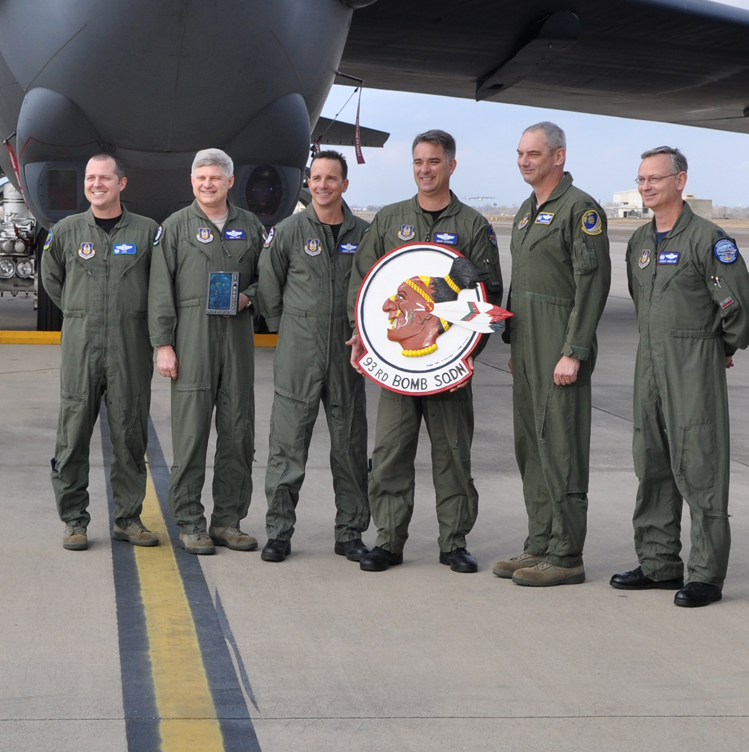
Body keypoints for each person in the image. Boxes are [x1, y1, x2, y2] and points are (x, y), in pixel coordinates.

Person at [350, 130, 503, 574]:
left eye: (434, 161)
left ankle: (453, 542)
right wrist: (365, 335)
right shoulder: (390, 219)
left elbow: (489, 301)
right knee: (392, 453)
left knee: (452, 454)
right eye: (418, 161)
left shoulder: (473, 226)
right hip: (397, 366)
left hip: (448, 366)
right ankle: (389, 540)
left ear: (450, 165)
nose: (425, 169)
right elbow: (363, 284)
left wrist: (464, 352)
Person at [614, 146, 749, 607]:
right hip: (650, 364)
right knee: (652, 462)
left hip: (692, 365)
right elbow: (644, 302)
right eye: (641, 180)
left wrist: (718, 347)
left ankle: (705, 574)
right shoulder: (639, 241)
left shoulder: (707, 239)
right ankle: (659, 563)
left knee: (700, 465)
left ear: (680, 181)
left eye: (655, 178)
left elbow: (743, 306)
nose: (646, 187)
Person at [493, 122, 611, 588]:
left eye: (534, 154)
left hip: (560, 346)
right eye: (520, 153)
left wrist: (574, 351)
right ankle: (539, 542)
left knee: (561, 446)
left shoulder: (580, 210)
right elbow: (523, 284)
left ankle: (567, 554)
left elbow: (592, 283)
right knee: (531, 446)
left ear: (558, 157)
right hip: (526, 346)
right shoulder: (526, 211)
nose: (524, 161)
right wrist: (513, 345)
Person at [39, 153, 162, 552]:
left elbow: (159, 285)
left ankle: (128, 518)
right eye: (91, 178)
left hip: (131, 347)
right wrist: (81, 312)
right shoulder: (66, 231)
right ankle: (74, 520)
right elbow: (52, 280)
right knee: (73, 435)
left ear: (121, 183)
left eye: (105, 178)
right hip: (82, 346)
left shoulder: (147, 232)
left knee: (130, 435)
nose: (96, 184)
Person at [256, 151, 372, 563]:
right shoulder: (288, 230)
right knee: (287, 445)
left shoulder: (365, 232)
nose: (323, 185)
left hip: (346, 349)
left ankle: (350, 533)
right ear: (311, 182)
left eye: (332, 178)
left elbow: (376, 289)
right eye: (317, 178)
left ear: (344, 183)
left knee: (350, 444)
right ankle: (279, 532)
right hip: (298, 350)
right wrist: (284, 329)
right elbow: (269, 283)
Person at [148, 149, 266, 555]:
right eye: (201, 178)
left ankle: (228, 522)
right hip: (191, 339)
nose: (208, 184)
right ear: (192, 181)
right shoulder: (176, 227)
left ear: (230, 181)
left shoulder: (250, 225)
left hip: (236, 339)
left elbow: (269, 278)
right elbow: (160, 290)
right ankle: (190, 522)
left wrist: (250, 297)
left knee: (238, 434)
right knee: (191, 436)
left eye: (215, 178)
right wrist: (163, 345)